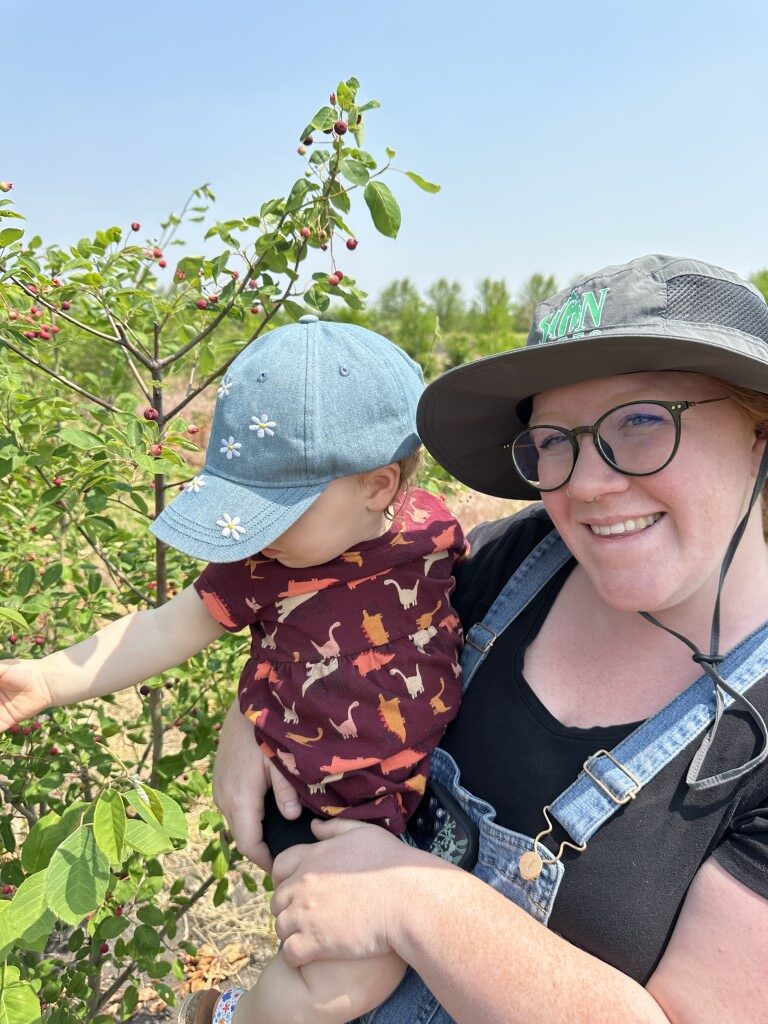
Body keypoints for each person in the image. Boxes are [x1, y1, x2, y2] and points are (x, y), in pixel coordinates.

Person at [213, 255, 768, 1024]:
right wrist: (255, 710)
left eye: (642, 422)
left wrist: (412, 899)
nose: (586, 484)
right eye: (552, 440)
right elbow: (331, 615)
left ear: (758, 432)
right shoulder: (511, 564)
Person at [0, 317, 465, 1024]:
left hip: (415, 795)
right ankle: (229, 1016)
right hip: (320, 803)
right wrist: (45, 680)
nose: (254, 535)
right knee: (343, 985)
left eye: (275, 512)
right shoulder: (259, 568)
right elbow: (162, 629)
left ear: (379, 486)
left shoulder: (433, 529)